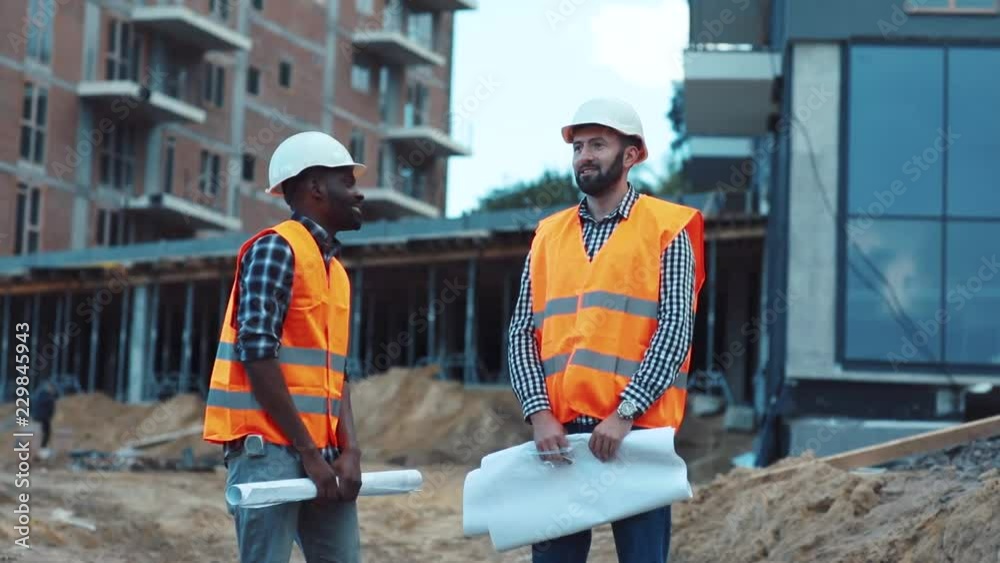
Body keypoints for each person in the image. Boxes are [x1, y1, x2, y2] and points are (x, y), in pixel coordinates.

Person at [507, 97, 706, 563]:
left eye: (598, 144)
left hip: (637, 434)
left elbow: (675, 330)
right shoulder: (547, 235)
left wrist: (625, 414)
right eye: (578, 147)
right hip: (559, 437)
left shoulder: (668, 227)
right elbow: (521, 332)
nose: (585, 156)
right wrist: (539, 414)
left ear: (631, 154)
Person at [203, 131, 367, 563]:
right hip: (269, 451)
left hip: (323, 455)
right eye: (347, 181)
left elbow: (337, 374)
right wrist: (308, 453)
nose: (359, 193)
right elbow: (256, 354)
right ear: (315, 187)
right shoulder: (277, 249)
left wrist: (349, 450)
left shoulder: (337, 273)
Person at [34, 379, 57, 460]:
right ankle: (42, 450)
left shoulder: (43, 395)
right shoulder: (45, 396)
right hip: (43, 418)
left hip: (43, 418)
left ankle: (42, 450)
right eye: (52, 388)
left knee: (46, 434)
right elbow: (47, 407)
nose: (53, 390)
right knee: (46, 434)